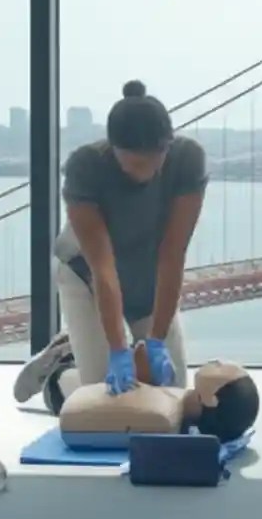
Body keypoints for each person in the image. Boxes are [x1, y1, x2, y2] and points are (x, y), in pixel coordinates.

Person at [47, 80, 207, 396]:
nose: (145, 171)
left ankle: (84, 350)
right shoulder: (86, 168)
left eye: (154, 160)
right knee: (103, 398)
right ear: (114, 149)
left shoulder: (187, 161)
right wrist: (119, 350)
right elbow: (103, 269)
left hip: (148, 272)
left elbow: (173, 255)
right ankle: (61, 374)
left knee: (170, 391)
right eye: (135, 163)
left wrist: (157, 341)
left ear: (167, 147)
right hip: (87, 277)